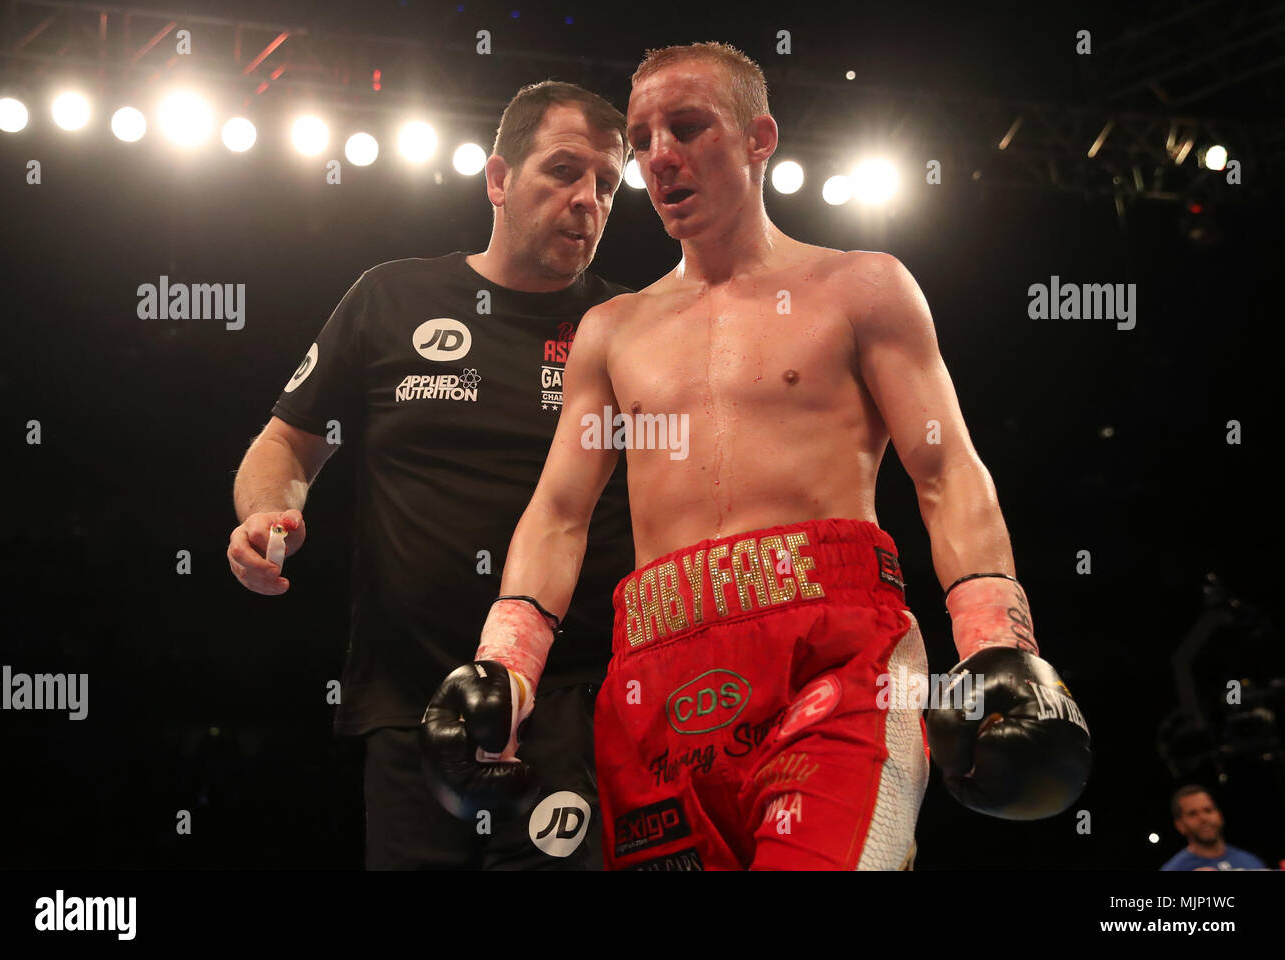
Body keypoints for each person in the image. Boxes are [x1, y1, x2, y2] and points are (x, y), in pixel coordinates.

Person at [421, 42, 1090, 870]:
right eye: (642, 139)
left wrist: (997, 643)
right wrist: (503, 666)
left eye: (688, 126)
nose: (659, 155)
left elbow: (945, 469)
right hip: (654, 684)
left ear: (758, 137)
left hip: (837, 660)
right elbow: (559, 513)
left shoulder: (863, 287)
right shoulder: (611, 331)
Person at [227, 80, 635, 870]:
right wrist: (265, 513)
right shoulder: (390, 297)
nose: (589, 200)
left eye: (610, 185)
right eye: (563, 171)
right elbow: (286, 441)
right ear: (498, 179)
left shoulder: (629, 324)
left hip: (572, 706)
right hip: (411, 702)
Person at [1161, 785, 1269, 870]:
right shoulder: (1174, 869)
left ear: (1219, 815)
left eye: (1208, 810)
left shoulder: (1251, 861)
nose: (1203, 818)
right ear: (1180, 825)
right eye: (1193, 814)